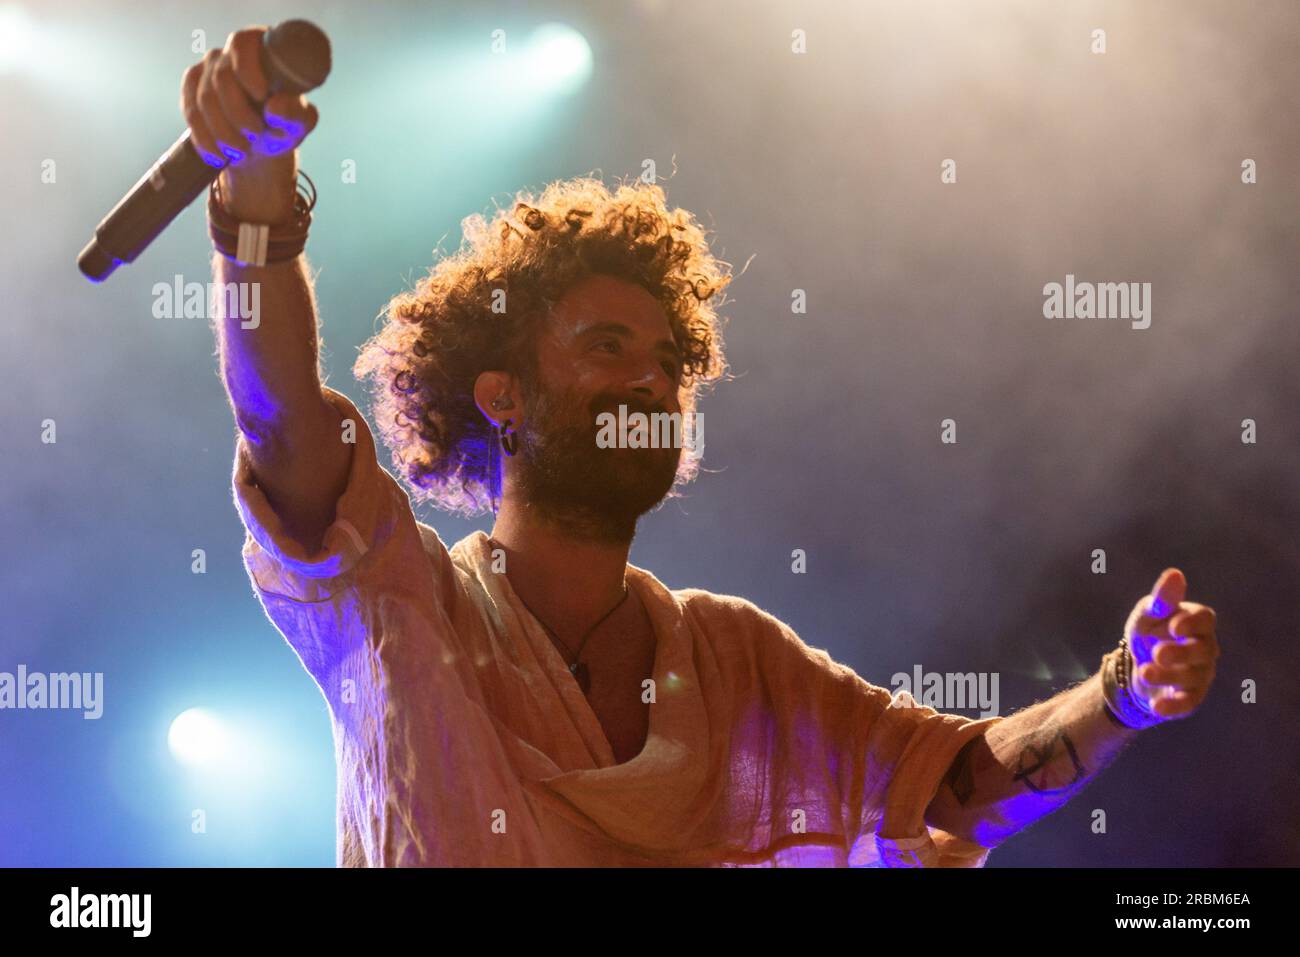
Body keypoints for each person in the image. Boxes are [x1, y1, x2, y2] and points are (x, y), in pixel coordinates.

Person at [186, 27, 1221, 867]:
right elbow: (281, 417)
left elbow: (947, 791)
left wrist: (1122, 693)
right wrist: (257, 199)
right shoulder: (404, 609)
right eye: (605, 347)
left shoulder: (736, 662)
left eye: (668, 361)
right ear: (499, 396)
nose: (649, 380)